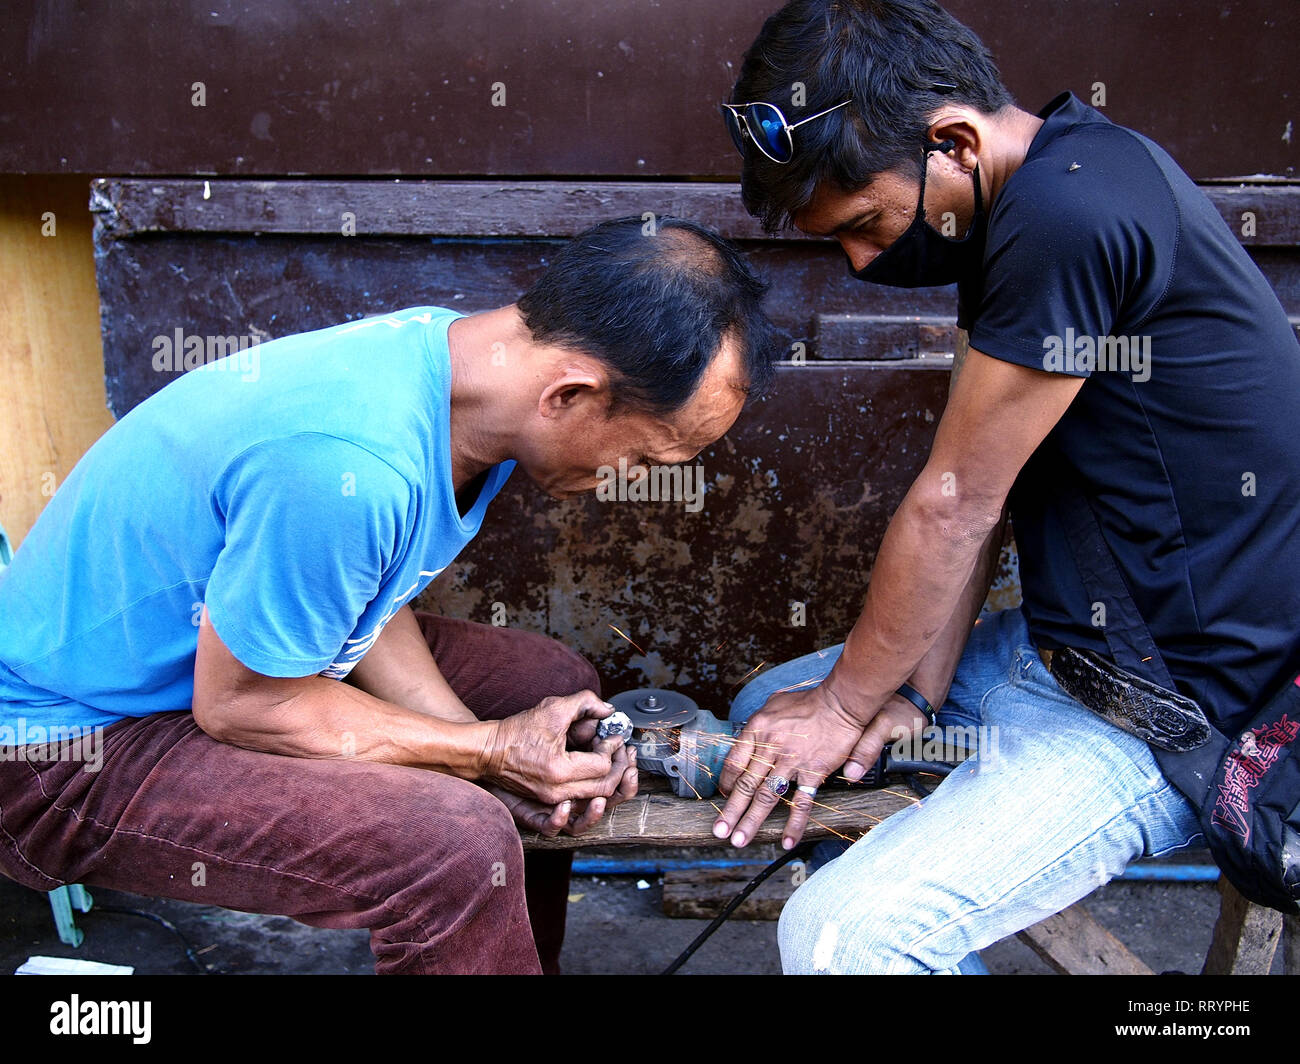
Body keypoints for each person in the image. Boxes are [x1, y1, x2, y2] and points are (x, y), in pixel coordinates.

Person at [0, 215, 778, 975]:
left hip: (212, 671)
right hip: (67, 746)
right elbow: (245, 706)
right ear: (569, 395)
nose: (632, 481)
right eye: (642, 454)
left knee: (539, 687)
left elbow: (366, 593)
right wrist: (485, 753)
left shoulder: (458, 368)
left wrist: (492, 754)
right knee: (455, 849)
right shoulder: (349, 464)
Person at [715, 0, 1300, 973]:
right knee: (769, 714)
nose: (860, 261)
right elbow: (980, 485)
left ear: (951, 139)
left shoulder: (1069, 217)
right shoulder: (1044, 185)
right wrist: (909, 688)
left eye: (865, 223)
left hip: (1180, 706)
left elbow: (954, 503)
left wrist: (844, 706)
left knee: (841, 937)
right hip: (1074, 647)